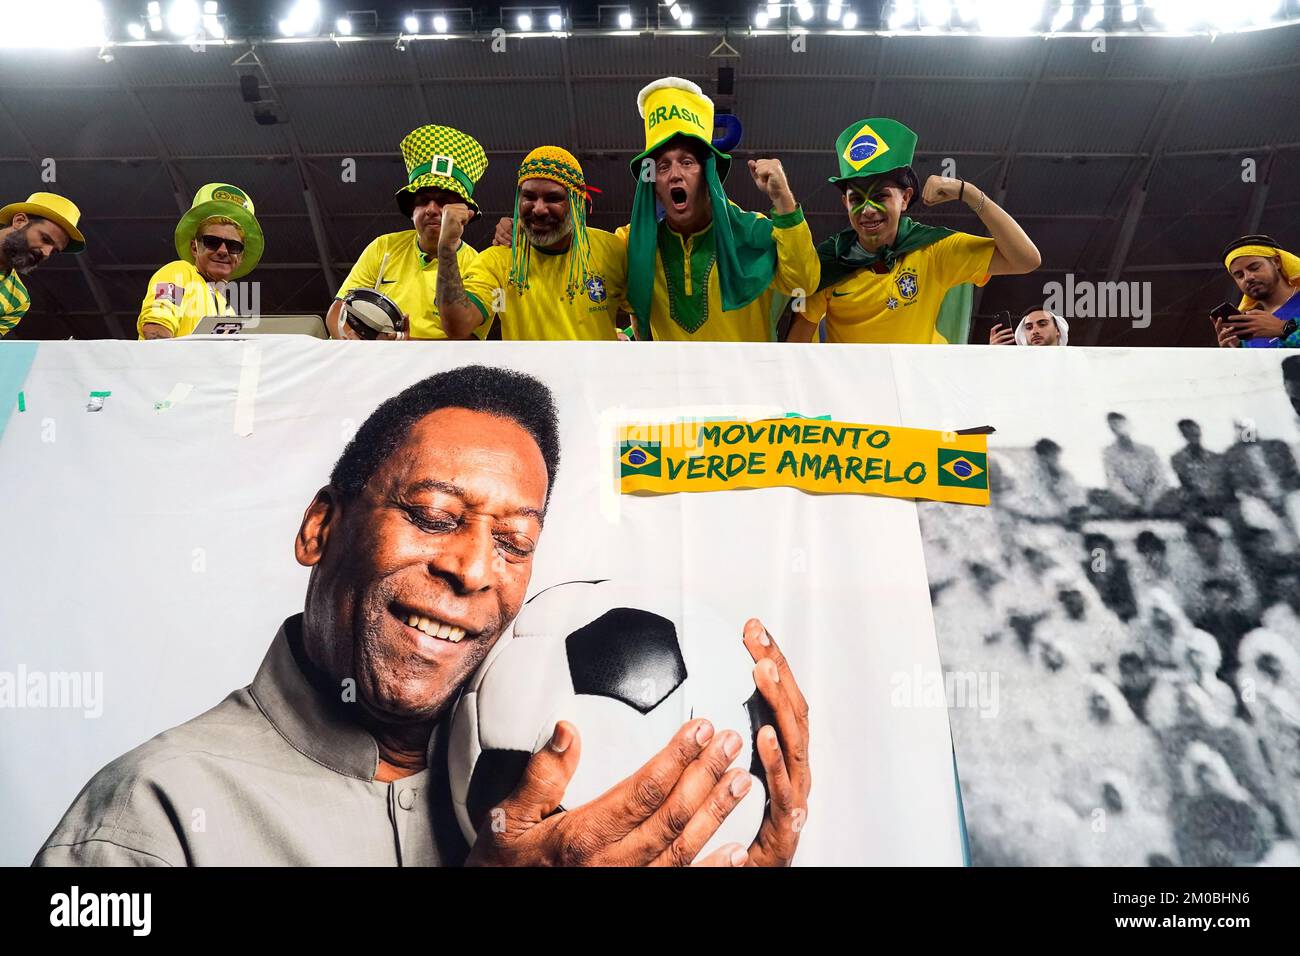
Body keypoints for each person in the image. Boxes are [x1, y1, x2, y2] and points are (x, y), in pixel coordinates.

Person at [34, 365, 810, 867]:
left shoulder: (575, 795)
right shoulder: (151, 814)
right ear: (320, 528)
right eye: (434, 516)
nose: (472, 569)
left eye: (514, 540)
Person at [789, 117, 1039, 344]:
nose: (867, 210)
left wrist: (969, 193)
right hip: (854, 389)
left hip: (917, 388)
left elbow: (1026, 259)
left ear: (905, 198)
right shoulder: (826, 263)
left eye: (880, 196)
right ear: (845, 203)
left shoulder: (933, 249)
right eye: (856, 200)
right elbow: (797, 345)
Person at [618, 77, 819, 342]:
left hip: (748, 382)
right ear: (652, 183)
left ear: (708, 174)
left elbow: (803, 284)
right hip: (673, 383)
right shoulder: (631, 244)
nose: (674, 175)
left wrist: (783, 200)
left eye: (687, 162)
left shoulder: (754, 232)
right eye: (663, 167)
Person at [438, 147, 626, 341]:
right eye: (529, 197)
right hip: (527, 373)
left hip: (594, 372)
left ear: (576, 201)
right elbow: (458, 327)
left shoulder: (612, 250)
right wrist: (446, 247)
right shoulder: (497, 261)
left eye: (553, 198)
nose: (539, 209)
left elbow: (643, 311)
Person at [328, 126, 487, 341]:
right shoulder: (383, 246)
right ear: (411, 211)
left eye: (443, 201)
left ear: (465, 212)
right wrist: (352, 345)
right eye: (422, 201)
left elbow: (465, 344)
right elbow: (337, 312)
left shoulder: (480, 267)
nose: (431, 209)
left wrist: (401, 347)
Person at [137, 184, 263, 340]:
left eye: (233, 246)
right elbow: (156, 329)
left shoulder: (228, 311)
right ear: (194, 247)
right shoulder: (178, 274)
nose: (223, 251)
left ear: (240, 257)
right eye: (212, 241)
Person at [0, 192, 85, 336]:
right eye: (45, 239)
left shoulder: (18, 301)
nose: (46, 253)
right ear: (20, 221)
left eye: (54, 251)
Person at [1213, 235, 1300, 348]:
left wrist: (1284, 328)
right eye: (1239, 275)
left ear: (1276, 262)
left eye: (1254, 268)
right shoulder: (1250, 329)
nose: (1248, 277)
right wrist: (1237, 354)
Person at [1099, 412, 1170, 516]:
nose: (1118, 429)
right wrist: (1134, 503)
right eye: (1113, 426)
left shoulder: (1148, 451)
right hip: (1127, 505)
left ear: (1129, 425)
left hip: (1155, 501)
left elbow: (1160, 479)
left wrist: (1150, 501)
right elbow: (1113, 482)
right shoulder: (1109, 453)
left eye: (1120, 424)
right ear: (1111, 429)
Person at [988, 308, 1068, 346]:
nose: (1034, 331)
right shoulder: (1017, 364)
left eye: (1042, 324)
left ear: (1058, 330)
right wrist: (994, 353)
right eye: (1029, 327)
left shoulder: (1074, 361)